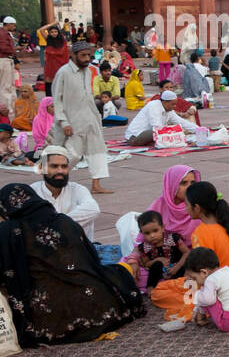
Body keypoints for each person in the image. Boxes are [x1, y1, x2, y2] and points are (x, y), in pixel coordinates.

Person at [0, 183, 143, 347]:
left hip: (46, 315)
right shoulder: (63, 220)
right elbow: (91, 260)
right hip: (95, 301)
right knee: (117, 273)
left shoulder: (6, 232)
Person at [150, 182, 229, 321]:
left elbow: (202, 274)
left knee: (159, 292)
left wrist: (190, 286)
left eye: (186, 205)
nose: (185, 209)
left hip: (222, 292)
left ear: (197, 208)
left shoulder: (201, 233)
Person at [50, 42, 111, 195]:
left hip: (90, 118)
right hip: (72, 120)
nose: (86, 59)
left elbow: (88, 96)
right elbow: (56, 99)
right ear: (73, 55)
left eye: (88, 55)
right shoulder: (63, 73)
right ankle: (53, 178)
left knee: (97, 150)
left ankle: (96, 185)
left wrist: (97, 118)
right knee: (74, 153)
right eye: (83, 55)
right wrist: (63, 122)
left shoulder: (88, 71)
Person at [28, 146, 101, 240]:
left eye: (64, 166)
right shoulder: (33, 191)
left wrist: (55, 224)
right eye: (54, 166)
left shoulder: (77, 189)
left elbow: (93, 209)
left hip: (78, 249)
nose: (60, 171)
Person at [124, 208, 189, 293]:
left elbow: (187, 252)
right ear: (142, 233)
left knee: (186, 267)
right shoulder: (144, 247)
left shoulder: (172, 238)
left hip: (176, 267)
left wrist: (177, 267)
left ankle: (174, 286)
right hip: (160, 270)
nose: (152, 235)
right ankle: (150, 288)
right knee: (156, 265)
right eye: (147, 233)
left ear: (162, 228)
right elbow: (146, 264)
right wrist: (158, 260)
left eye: (155, 231)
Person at [125, 90, 199, 145]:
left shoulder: (169, 111)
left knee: (173, 132)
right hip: (134, 137)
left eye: (175, 104)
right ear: (164, 102)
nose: (175, 106)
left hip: (152, 134)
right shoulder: (153, 106)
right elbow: (157, 127)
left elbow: (182, 122)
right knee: (161, 132)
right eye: (172, 104)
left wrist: (199, 130)